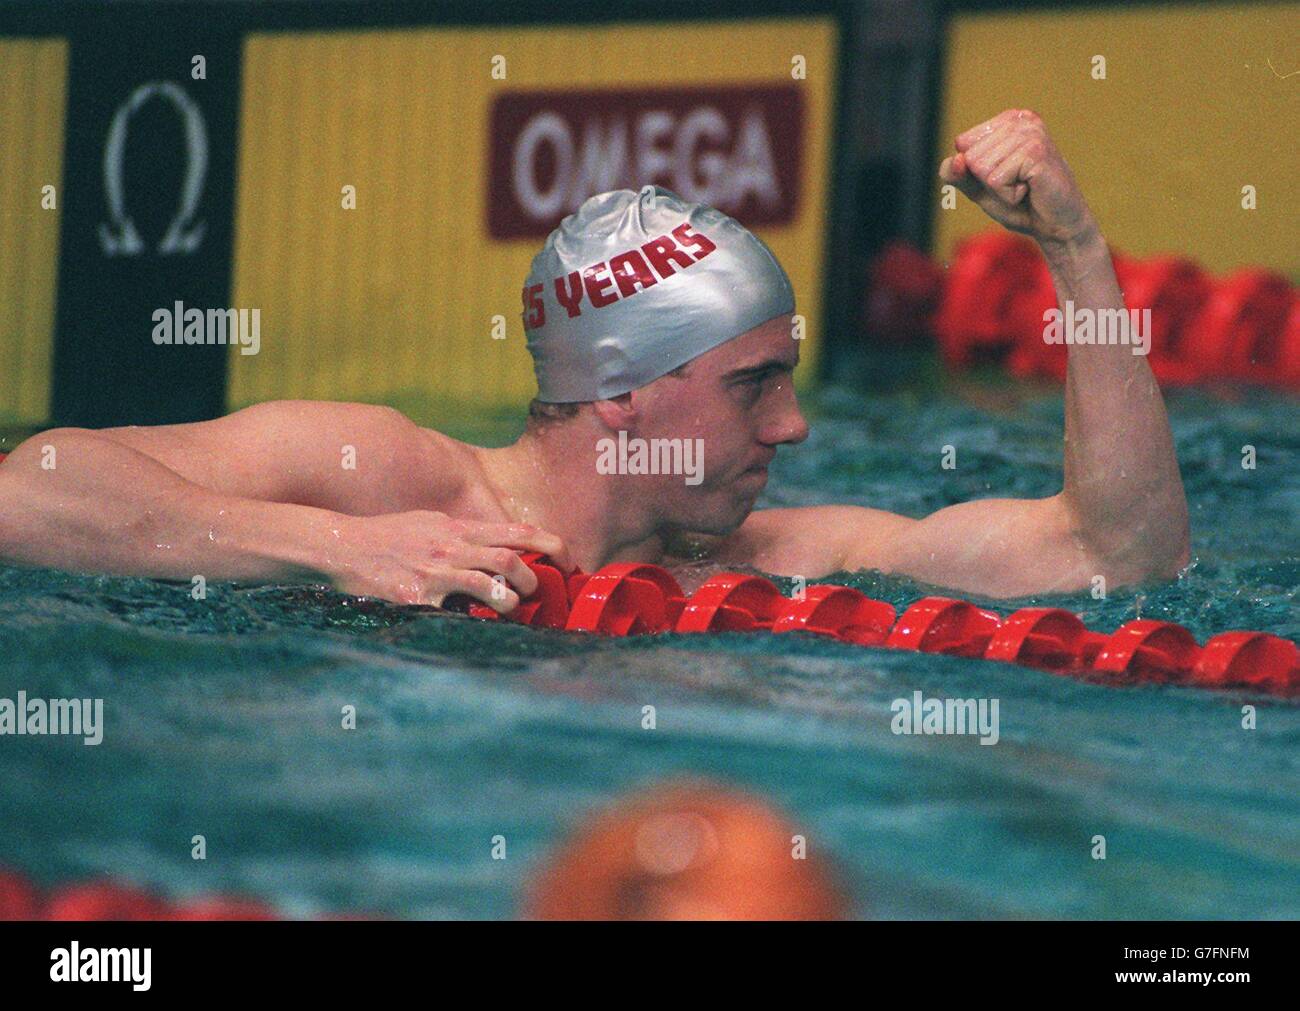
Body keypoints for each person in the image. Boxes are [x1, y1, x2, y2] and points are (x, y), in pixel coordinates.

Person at [0, 109, 1189, 612]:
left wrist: (1075, 251)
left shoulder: (782, 561)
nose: (793, 427)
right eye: (753, 384)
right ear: (621, 388)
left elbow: (1118, 557)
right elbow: (28, 489)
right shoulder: (373, 475)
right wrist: (338, 549)